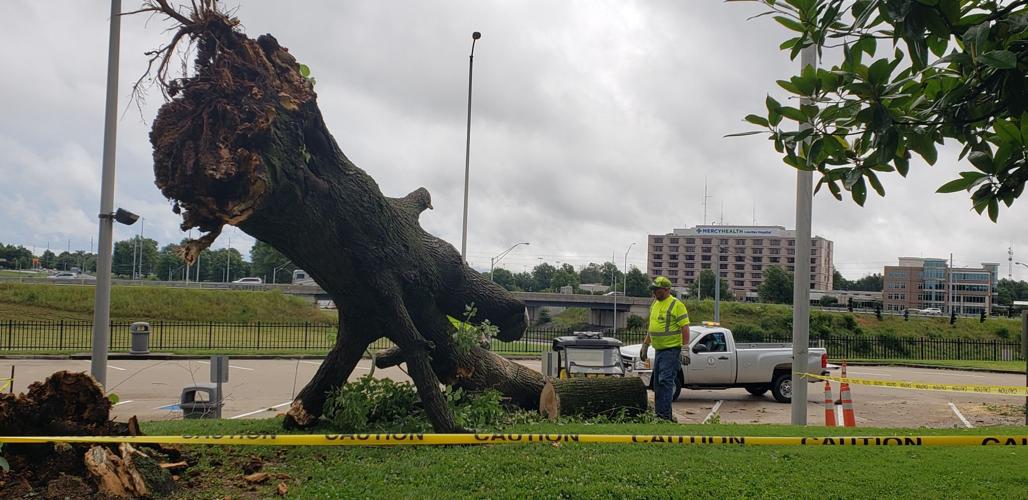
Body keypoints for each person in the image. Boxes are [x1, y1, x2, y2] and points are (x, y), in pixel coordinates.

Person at [639, 276, 690, 421]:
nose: (654, 292)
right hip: (659, 350)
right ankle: (659, 414)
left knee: (665, 381)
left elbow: (685, 327)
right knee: (657, 384)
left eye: (657, 289)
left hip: (672, 350)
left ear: (666, 290)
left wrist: (685, 348)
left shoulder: (676, 304)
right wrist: (645, 344)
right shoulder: (655, 304)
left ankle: (665, 416)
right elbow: (652, 327)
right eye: (653, 289)